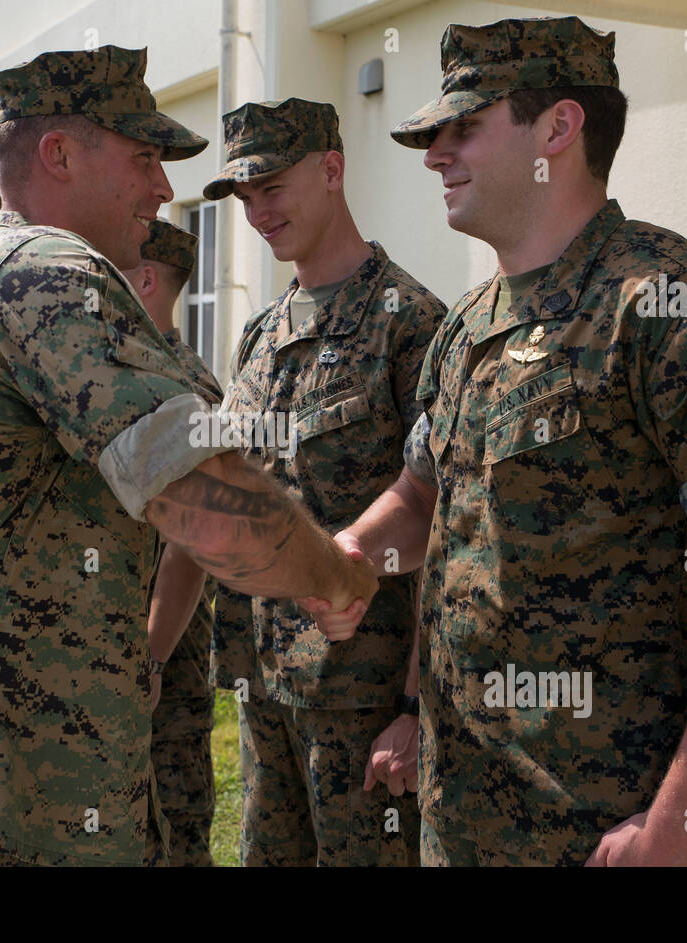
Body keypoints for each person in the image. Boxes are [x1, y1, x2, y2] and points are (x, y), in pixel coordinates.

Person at [0, 45, 378, 867]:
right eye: (145, 158)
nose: (162, 188)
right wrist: (337, 578)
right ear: (60, 154)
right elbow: (200, 500)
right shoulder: (41, 271)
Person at [303, 15, 687, 866]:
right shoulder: (467, 324)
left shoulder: (682, 310)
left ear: (558, 127)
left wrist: (680, 826)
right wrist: (357, 551)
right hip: (458, 824)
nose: (435, 154)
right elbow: (424, 496)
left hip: (603, 837)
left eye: (464, 127)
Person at [200, 98, 443, 866]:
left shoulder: (410, 322)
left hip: (365, 703)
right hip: (266, 687)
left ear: (331, 169)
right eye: (244, 197)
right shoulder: (261, 334)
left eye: (271, 186)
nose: (257, 211)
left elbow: (443, 520)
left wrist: (415, 706)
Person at [122, 218, 220, 866]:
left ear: (148, 280)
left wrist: (151, 659)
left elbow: (191, 547)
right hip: (119, 664)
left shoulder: (186, 391)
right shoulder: (117, 376)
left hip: (165, 669)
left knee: (174, 829)